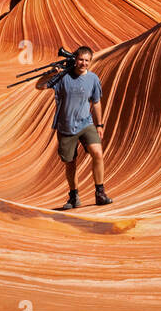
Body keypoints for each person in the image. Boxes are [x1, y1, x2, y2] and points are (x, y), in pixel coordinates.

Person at [36, 45, 112, 209]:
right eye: (80, 60)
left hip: (86, 124)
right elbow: (40, 86)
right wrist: (51, 73)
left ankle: (100, 193)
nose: (83, 63)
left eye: (86, 60)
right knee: (70, 163)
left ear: (90, 62)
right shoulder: (63, 77)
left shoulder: (93, 79)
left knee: (98, 153)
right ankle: (74, 196)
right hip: (66, 126)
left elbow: (96, 102)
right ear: (75, 60)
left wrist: (99, 124)